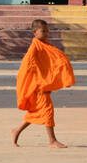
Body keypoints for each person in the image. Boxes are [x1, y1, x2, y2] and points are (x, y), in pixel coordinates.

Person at [12, 19, 75, 149]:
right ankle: (52, 141)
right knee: (47, 110)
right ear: (35, 32)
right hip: (37, 85)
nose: (46, 33)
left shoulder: (45, 45)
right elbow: (29, 67)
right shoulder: (34, 47)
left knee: (37, 111)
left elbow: (50, 61)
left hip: (42, 84)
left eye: (47, 31)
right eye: (43, 31)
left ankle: (17, 130)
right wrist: (41, 81)